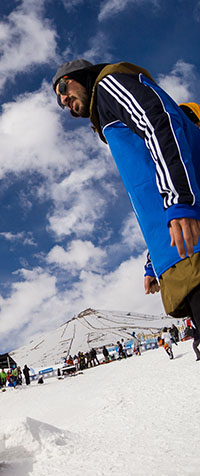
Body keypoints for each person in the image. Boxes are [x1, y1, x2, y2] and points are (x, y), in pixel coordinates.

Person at [53, 59, 200, 331]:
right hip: (178, 251)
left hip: (192, 238)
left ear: (83, 76)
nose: (63, 100)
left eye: (63, 87)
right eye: (59, 101)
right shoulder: (108, 119)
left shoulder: (109, 84)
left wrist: (180, 200)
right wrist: (153, 260)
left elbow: (158, 123)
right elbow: (150, 198)